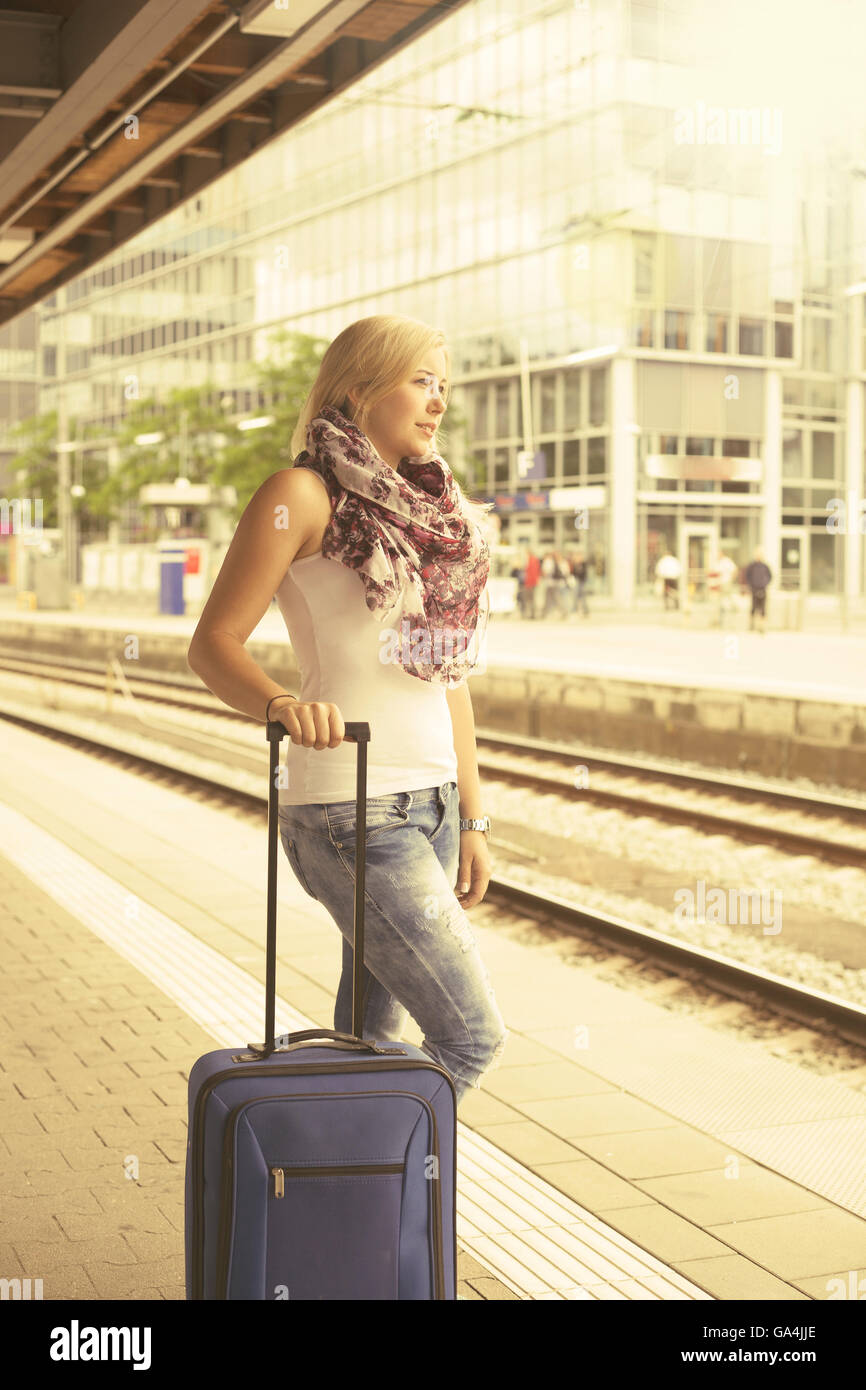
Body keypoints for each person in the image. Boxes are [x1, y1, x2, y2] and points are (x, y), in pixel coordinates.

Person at [187, 314, 508, 1109]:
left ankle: (339, 1183)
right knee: (470, 1035)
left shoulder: (429, 510)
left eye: (444, 386)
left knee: (368, 1035)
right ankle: (369, 1175)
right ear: (361, 388)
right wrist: (280, 704)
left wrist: (471, 816)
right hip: (350, 809)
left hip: (431, 804)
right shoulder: (300, 495)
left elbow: (446, 676)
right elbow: (214, 643)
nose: (438, 402)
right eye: (421, 381)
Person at [744, 546, 772, 634]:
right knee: (753, 608)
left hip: (763, 589)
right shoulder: (752, 566)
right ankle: (752, 625)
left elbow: (770, 576)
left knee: (763, 609)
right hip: (754, 589)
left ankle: (762, 627)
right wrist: (751, 586)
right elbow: (747, 576)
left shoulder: (765, 566)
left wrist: (765, 584)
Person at [571, 549, 589, 618]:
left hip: (582, 582)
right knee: (575, 596)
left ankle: (585, 611)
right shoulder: (574, 564)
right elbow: (573, 573)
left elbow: (584, 574)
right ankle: (575, 610)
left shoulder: (584, 564)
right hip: (576, 582)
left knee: (583, 597)